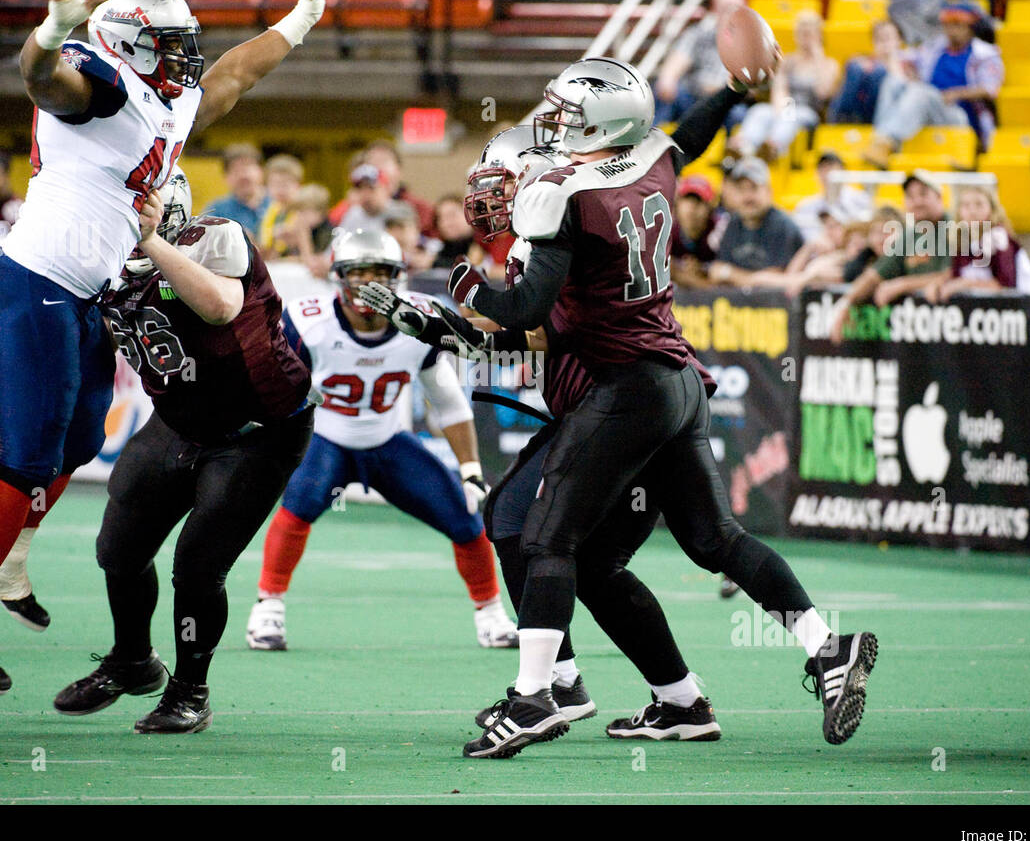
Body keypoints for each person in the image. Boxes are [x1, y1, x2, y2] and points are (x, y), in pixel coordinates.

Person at [0, 0, 328, 694]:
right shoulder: (99, 83)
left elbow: (236, 75)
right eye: (170, 45)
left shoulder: (166, 99)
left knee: (78, 440)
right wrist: (53, 26)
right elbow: (43, 79)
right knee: (32, 453)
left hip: (83, 295)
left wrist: (301, 20)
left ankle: (11, 564)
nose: (186, 58)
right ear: (130, 42)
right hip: (32, 280)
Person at [445, 57, 878, 758]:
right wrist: (736, 86)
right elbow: (690, 135)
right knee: (714, 540)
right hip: (677, 380)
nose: (552, 122)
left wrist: (467, 288)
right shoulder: (650, 161)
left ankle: (535, 699)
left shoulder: (563, 193)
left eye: (565, 112)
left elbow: (525, 308)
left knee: (547, 537)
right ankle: (822, 648)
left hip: (625, 390)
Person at [361, 125, 724, 739]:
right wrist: (435, 324)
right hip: (617, 405)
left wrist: (454, 311)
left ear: (534, 174)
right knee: (588, 562)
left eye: (500, 183)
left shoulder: (564, 218)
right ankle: (673, 699)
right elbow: (523, 337)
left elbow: (529, 331)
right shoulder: (567, 217)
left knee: (523, 527)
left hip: (614, 408)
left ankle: (553, 690)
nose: (489, 198)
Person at [53, 173, 316, 732]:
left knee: (197, 568)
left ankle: (190, 692)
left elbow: (221, 307)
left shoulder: (215, 235)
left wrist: (149, 241)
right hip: (178, 421)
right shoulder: (103, 265)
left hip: (259, 429)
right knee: (117, 551)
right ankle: (132, 662)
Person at [245, 228, 517, 652]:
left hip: (388, 440)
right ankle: (267, 608)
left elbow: (446, 399)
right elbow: (269, 389)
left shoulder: (419, 319)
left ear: (398, 278)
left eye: (381, 274)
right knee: (296, 508)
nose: (370, 285)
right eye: (360, 273)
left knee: (465, 518)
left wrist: (470, 469)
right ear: (339, 277)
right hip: (328, 438)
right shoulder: (307, 321)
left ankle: (491, 614)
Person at [864, 3, 1004, 167]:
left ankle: (887, 141)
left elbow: (990, 88)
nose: (951, 29)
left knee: (921, 93)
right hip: (929, 108)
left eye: (957, 25)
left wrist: (956, 94)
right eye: (947, 24)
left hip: (960, 115)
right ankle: (881, 142)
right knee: (893, 82)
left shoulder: (984, 53)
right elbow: (905, 57)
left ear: (970, 27)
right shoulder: (935, 48)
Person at [829, 171, 953, 343]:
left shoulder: (955, 230)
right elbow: (875, 274)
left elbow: (952, 275)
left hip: (952, 332)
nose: (917, 201)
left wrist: (901, 285)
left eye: (923, 194)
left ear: (939, 197)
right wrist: (846, 304)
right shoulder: (911, 236)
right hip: (918, 336)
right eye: (910, 196)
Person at [729, 10, 840, 162]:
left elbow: (823, 92)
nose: (805, 38)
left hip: (808, 112)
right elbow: (779, 89)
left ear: (819, 36)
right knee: (760, 111)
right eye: (801, 33)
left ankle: (773, 147)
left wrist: (817, 56)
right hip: (783, 107)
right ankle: (742, 146)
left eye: (809, 34)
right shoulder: (788, 62)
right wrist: (781, 110)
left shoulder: (829, 64)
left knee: (790, 117)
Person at [922, 185, 1030, 301]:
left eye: (979, 204)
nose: (972, 211)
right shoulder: (963, 240)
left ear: (992, 208)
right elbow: (955, 275)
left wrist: (965, 284)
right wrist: (937, 284)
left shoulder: (999, 238)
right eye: (966, 205)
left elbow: (1005, 286)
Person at [653, 0, 747, 125]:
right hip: (693, 98)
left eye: (737, 10)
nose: (731, 14)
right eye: (726, 9)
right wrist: (667, 80)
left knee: (740, 113)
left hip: (725, 101)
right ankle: (648, 140)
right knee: (663, 91)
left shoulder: (749, 43)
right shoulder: (698, 34)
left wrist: (722, 91)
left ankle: (736, 146)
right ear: (715, 10)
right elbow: (677, 61)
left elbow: (752, 86)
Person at [707, 156, 805, 284]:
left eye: (754, 188)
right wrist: (749, 278)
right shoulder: (733, 224)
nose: (747, 197)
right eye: (741, 189)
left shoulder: (784, 227)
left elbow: (776, 280)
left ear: (769, 191)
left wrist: (731, 274)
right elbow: (716, 271)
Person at [828, 20, 905, 125]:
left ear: (899, 40)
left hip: (893, 109)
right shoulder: (862, 63)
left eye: (887, 38)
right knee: (855, 67)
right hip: (863, 109)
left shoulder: (908, 62)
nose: (884, 43)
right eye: (879, 39)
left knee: (879, 73)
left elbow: (903, 87)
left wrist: (891, 60)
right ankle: (842, 119)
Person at [792, 150, 874, 242]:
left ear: (843, 170)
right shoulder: (805, 207)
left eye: (831, 167)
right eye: (822, 168)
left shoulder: (861, 200)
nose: (827, 173)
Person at [362, 139, 437, 238]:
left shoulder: (420, 209)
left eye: (383, 160)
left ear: (398, 170)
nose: (377, 166)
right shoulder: (355, 208)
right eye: (371, 162)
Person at [203, 143, 268, 238]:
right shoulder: (216, 212)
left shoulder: (281, 203)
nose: (243, 175)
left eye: (247, 168)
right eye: (236, 170)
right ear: (226, 177)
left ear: (261, 171)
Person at [256, 153, 304, 258]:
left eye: (286, 184)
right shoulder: (271, 211)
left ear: (298, 185)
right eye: (275, 184)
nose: (280, 189)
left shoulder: (304, 210)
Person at [333, 163, 393, 234]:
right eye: (360, 188)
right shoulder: (353, 214)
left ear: (386, 189)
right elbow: (337, 243)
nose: (365, 194)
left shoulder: (398, 214)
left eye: (371, 188)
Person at [432, 194, 476, 269]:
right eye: (440, 218)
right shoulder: (437, 250)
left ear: (470, 214)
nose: (445, 224)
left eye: (452, 215)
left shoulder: (486, 244)